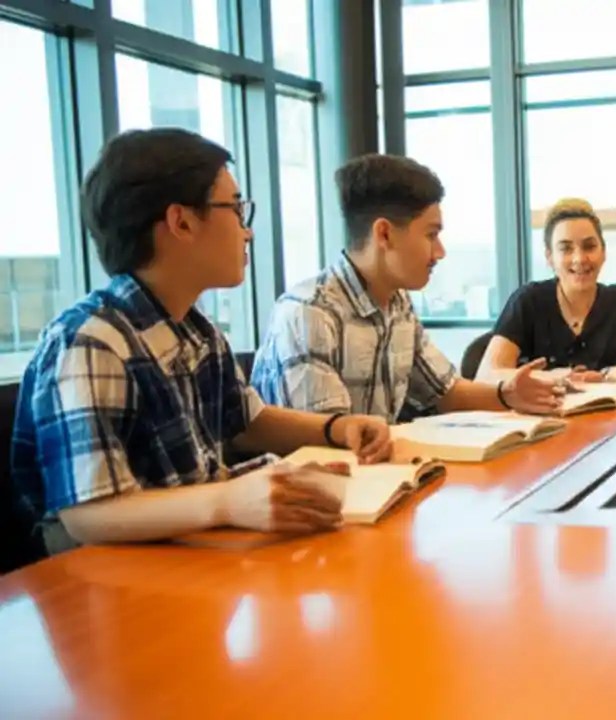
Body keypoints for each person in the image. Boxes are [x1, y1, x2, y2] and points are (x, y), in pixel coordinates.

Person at [9, 128, 392, 555]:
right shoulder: (90, 342)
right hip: (104, 579)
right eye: (235, 209)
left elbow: (245, 421)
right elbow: (87, 516)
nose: (247, 233)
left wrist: (335, 428)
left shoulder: (197, 329)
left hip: (190, 554)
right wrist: (227, 502)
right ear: (182, 221)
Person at [252, 154, 563, 422]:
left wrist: (506, 394)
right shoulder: (309, 314)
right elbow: (328, 442)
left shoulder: (398, 304)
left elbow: (445, 392)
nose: (439, 252)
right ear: (384, 234)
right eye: (431, 235)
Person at [477, 198, 616, 376]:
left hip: (608, 422)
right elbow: (487, 375)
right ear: (550, 258)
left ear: (603, 252)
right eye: (566, 249)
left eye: (589, 246)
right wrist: (554, 380)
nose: (579, 259)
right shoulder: (529, 300)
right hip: (544, 420)